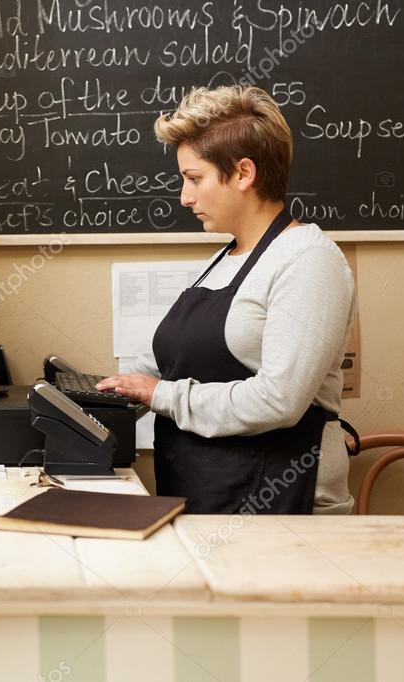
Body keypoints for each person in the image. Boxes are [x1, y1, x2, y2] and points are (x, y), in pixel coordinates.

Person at [97, 85, 357, 515]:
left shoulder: (309, 261)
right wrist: (103, 394)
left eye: (194, 179)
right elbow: (167, 365)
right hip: (207, 490)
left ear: (243, 173)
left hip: (279, 499)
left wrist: (161, 395)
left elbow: (278, 400)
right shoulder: (227, 257)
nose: (185, 197)